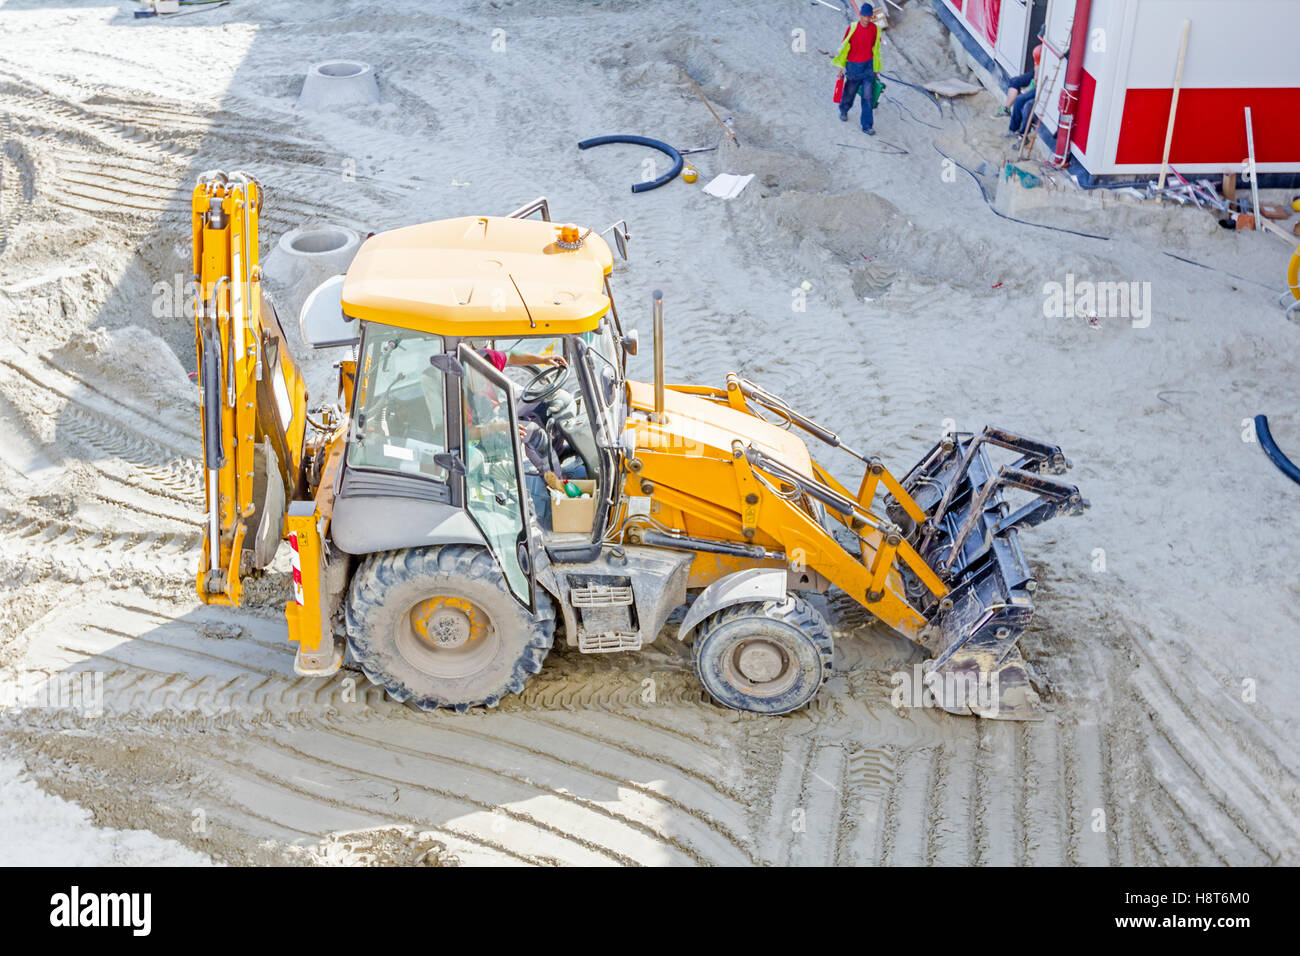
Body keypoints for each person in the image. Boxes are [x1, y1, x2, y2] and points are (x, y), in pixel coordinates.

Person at [836, 4, 880, 135]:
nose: (867, 19)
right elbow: (844, 49)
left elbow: (875, 50)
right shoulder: (852, 28)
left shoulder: (875, 29)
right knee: (850, 92)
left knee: (867, 96)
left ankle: (867, 125)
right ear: (860, 15)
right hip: (854, 67)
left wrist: (875, 69)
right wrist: (841, 67)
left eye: (869, 16)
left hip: (868, 67)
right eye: (864, 16)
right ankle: (844, 110)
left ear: (872, 17)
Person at [1004, 26, 1044, 137]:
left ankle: (1022, 136)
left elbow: (1038, 79)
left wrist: (1030, 88)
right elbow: (1036, 75)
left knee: (1024, 104)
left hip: (1046, 84)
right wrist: (1032, 85)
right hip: (1039, 78)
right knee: (1015, 83)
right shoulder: (1039, 51)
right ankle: (1010, 123)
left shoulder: (1043, 53)